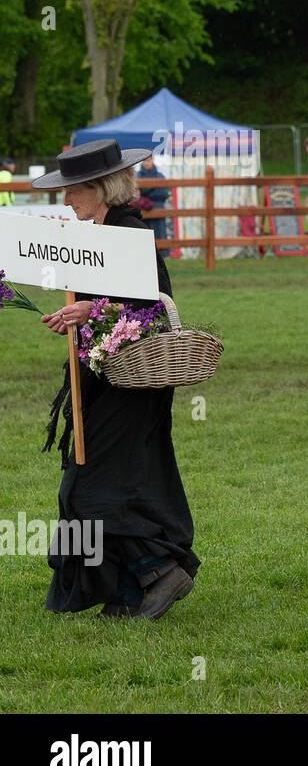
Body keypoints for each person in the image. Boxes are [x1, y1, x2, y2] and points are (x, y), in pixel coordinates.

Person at [32, 139, 200, 620]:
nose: (66, 201)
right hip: (105, 377)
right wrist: (75, 311)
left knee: (92, 487)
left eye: (72, 191)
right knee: (117, 479)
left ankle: (156, 570)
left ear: (99, 187)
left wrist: (92, 309)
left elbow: (152, 306)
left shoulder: (128, 233)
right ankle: (127, 592)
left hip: (132, 383)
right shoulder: (98, 231)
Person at [134, 154, 171, 259]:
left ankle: (163, 254)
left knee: (159, 232)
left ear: (152, 160)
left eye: (149, 160)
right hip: (142, 209)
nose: (147, 163)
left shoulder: (160, 176)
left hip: (157, 207)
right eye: (145, 161)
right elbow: (134, 193)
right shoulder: (137, 176)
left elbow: (164, 193)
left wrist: (145, 195)